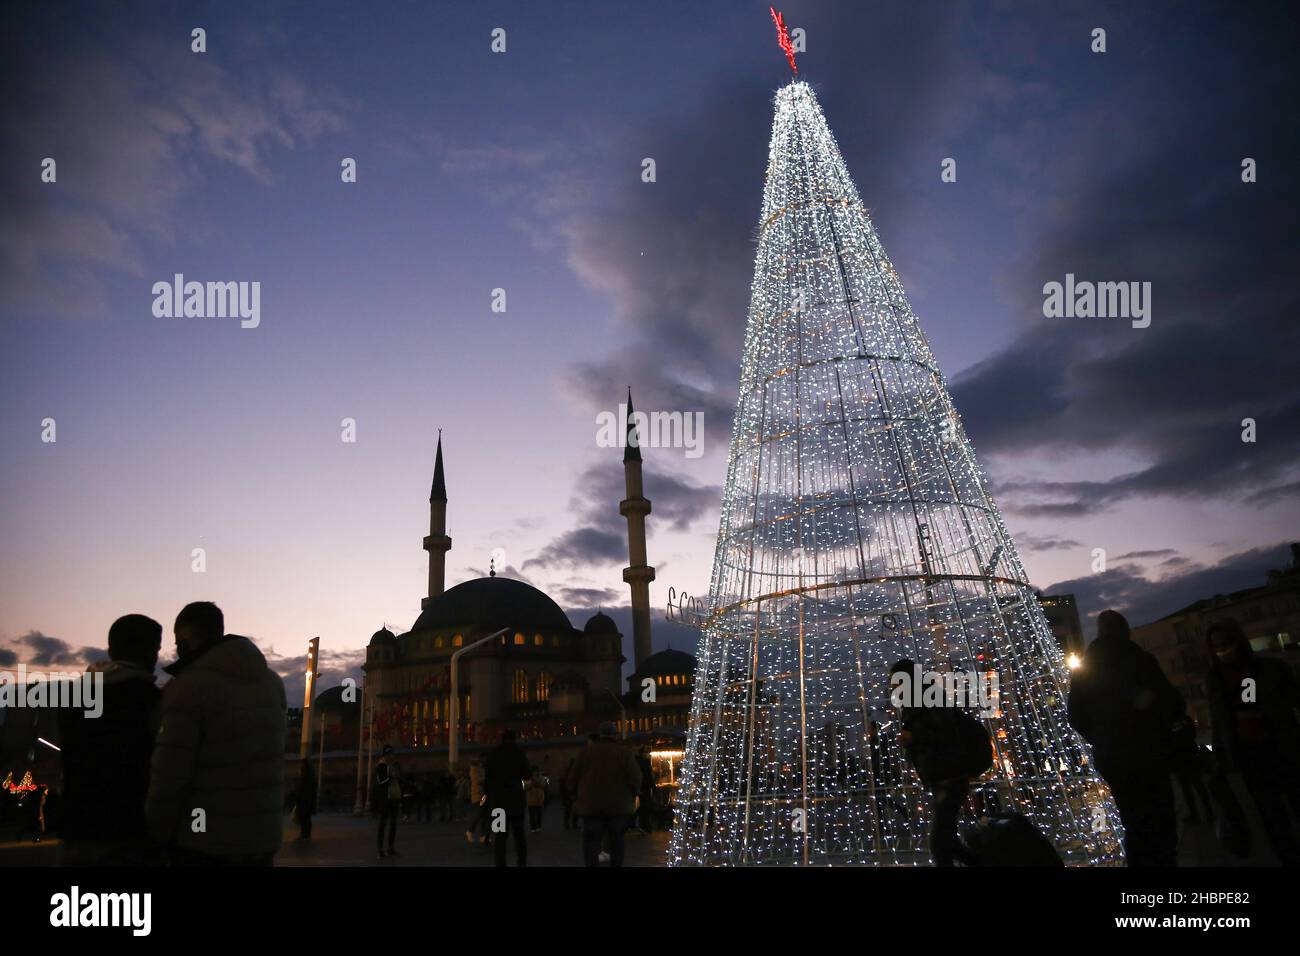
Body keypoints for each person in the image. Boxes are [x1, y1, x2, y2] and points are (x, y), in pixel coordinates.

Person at [145, 602, 287, 866]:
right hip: (262, 839)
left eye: (178, 643)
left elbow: (170, 776)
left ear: (185, 639)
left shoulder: (186, 688)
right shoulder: (272, 683)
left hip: (206, 844)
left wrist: (157, 834)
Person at [1068, 609, 1185, 866]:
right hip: (1148, 751)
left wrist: (1102, 737)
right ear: (1124, 631)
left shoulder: (1085, 669)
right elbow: (1172, 702)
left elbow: (1075, 715)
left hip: (1113, 756)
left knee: (1133, 820)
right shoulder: (1139, 659)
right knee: (1160, 819)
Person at [58, 613, 163, 865]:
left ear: (111, 648)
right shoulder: (152, 699)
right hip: (131, 829)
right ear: (148, 650)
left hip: (78, 825)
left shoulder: (73, 696)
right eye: (157, 648)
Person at [1204, 618, 1300, 865]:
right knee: (1272, 816)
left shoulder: (1270, 669)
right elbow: (1219, 719)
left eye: (1226, 643)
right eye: (1217, 647)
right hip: (1250, 756)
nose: (1224, 650)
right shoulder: (1216, 679)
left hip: (1280, 748)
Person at [890, 659, 991, 866]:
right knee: (950, 843)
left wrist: (913, 736)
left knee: (938, 844)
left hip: (950, 777)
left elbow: (945, 732)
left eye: (896, 680)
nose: (893, 685)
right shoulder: (914, 700)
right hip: (942, 778)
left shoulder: (927, 696)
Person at [567, 722, 642, 867]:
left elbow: (572, 778)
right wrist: (634, 794)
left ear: (600, 735)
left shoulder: (586, 753)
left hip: (590, 806)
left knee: (591, 842)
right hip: (618, 807)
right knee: (617, 841)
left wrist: (575, 798)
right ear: (615, 735)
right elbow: (636, 778)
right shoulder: (624, 753)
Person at [373, 745, 402, 858]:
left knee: (393, 823)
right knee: (383, 823)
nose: (391, 756)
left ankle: (390, 847)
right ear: (385, 755)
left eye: (392, 754)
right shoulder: (381, 766)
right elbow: (381, 781)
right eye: (389, 754)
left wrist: (397, 776)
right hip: (385, 797)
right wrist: (390, 777)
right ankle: (380, 849)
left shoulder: (394, 765)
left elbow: (399, 778)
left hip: (394, 796)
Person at [296, 758, 318, 840]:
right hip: (308, 800)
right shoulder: (311, 775)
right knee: (307, 818)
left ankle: (304, 834)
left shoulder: (305, 775)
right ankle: (306, 834)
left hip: (304, 800)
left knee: (304, 818)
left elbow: (302, 788)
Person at [635, 747, 655, 832]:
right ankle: (644, 825)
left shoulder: (639, 762)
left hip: (643, 786)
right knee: (646, 805)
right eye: (647, 753)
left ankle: (643, 824)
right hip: (644, 786)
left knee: (645, 805)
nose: (648, 755)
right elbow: (647, 776)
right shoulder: (644, 763)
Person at [525, 765, 547, 831]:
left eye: (536, 771)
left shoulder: (542, 777)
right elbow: (525, 787)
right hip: (530, 799)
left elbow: (544, 785)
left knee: (539, 814)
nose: (535, 773)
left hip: (539, 799)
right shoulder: (528, 778)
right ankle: (533, 827)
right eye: (534, 771)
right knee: (532, 815)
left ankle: (539, 826)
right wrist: (532, 784)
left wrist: (537, 783)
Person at [559, 758, 577, 831]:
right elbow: (563, 784)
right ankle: (568, 824)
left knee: (573, 810)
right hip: (569, 794)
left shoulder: (572, 772)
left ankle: (572, 824)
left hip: (572, 793)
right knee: (569, 810)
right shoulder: (569, 772)